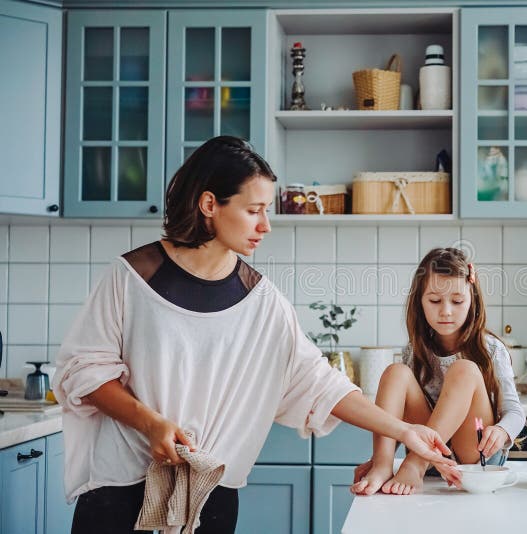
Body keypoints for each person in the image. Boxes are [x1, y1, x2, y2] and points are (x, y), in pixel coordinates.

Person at [52, 136, 454, 534]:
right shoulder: (130, 279)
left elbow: (320, 384)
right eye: (253, 211)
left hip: (212, 493)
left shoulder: (263, 303)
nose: (266, 225)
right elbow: (85, 373)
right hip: (119, 490)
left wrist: (403, 431)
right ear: (210, 204)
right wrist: (151, 423)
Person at [351, 247, 524, 496]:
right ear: (420, 302)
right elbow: (401, 418)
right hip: (432, 458)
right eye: (434, 300)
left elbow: (515, 412)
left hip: (474, 460)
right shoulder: (415, 351)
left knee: (463, 370)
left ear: (472, 299)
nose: (446, 311)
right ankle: (382, 465)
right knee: (394, 372)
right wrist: (384, 453)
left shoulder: (492, 349)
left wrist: (502, 430)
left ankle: (415, 465)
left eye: (457, 301)